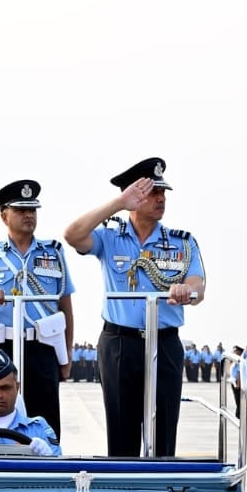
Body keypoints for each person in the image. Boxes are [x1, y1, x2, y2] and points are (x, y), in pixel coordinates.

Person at [65, 157, 203, 457]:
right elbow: (72, 234)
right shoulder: (109, 237)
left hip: (164, 342)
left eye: (162, 192)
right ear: (134, 196)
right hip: (120, 344)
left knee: (164, 432)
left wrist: (186, 290)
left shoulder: (182, 242)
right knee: (122, 432)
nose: (161, 198)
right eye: (153, 192)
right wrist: (118, 203)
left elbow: (198, 286)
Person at [0, 179, 76, 440]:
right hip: (5, 350)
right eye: (21, 210)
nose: (29, 215)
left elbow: (66, 307)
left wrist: (67, 356)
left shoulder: (54, 252)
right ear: (4, 216)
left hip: (44, 347)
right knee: (0, 418)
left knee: (45, 420)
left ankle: (46, 473)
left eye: (32, 210)